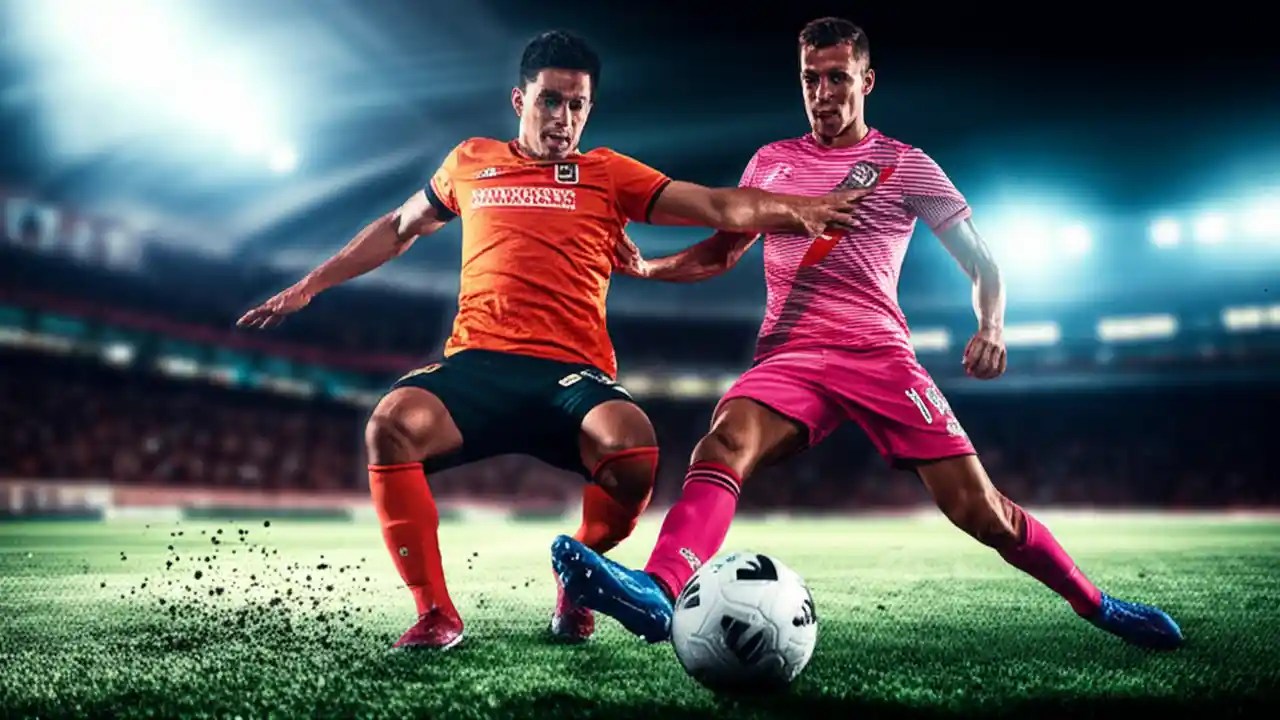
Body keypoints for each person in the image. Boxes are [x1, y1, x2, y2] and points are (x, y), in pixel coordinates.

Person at [551, 17, 1184, 651]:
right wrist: (649, 268)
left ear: (867, 80)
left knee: (981, 512)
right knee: (720, 447)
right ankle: (660, 592)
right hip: (790, 356)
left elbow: (983, 262)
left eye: (837, 79)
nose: (823, 94)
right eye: (810, 80)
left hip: (879, 356)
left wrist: (991, 324)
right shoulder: (771, 163)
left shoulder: (905, 166)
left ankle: (1099, 605)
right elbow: (721, 254)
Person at [236, 29, 870, 651]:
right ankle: (436, 614)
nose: (563, 118)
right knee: (391, 424)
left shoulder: (608, 173)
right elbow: (398, 228)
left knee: (634, 448)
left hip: (571, 376)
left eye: (577, 105)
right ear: (521, 101)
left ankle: (580, 580)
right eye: (550, 101)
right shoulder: (469, 161)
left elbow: (717, 207)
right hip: (476, 366)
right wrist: (310, 286)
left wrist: (800, 210)